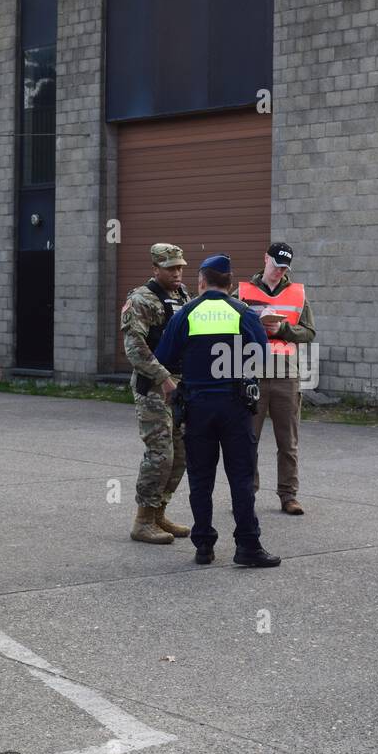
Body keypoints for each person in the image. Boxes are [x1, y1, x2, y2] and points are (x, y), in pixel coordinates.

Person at [154, 254, 281, 568]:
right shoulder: (243, 313)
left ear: (200, 282)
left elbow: (164, 357)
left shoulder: (186, 313)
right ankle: (248, 546)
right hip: (235, 406)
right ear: (231, 282)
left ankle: (204, 547)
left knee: (200, 479)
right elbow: (262, 357)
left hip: (197, 407)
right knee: (240, 477)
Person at [237, 241, 316, 515]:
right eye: (276, 265)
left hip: (286, 376)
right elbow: (232, 330)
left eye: (284, 268)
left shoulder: (298, 294)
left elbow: (309, 333)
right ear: (265, 259)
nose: (279, 271)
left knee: (288, 441)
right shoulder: (243, 292)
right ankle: (247, 493)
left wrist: (283, 329)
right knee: (248, 439)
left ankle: (288, 495)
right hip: (253, 375)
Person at [122, 242, 193, 544]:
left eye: (180, 267)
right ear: (155, 269)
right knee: (160, 453)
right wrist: (164, 379)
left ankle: (158, 513)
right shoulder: (141, 299)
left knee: (181, 454)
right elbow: (135, 349)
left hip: (180, 385)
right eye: (171, 268)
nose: (177, 273)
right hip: (153, 386)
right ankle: (142, 521)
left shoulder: (183, 296)